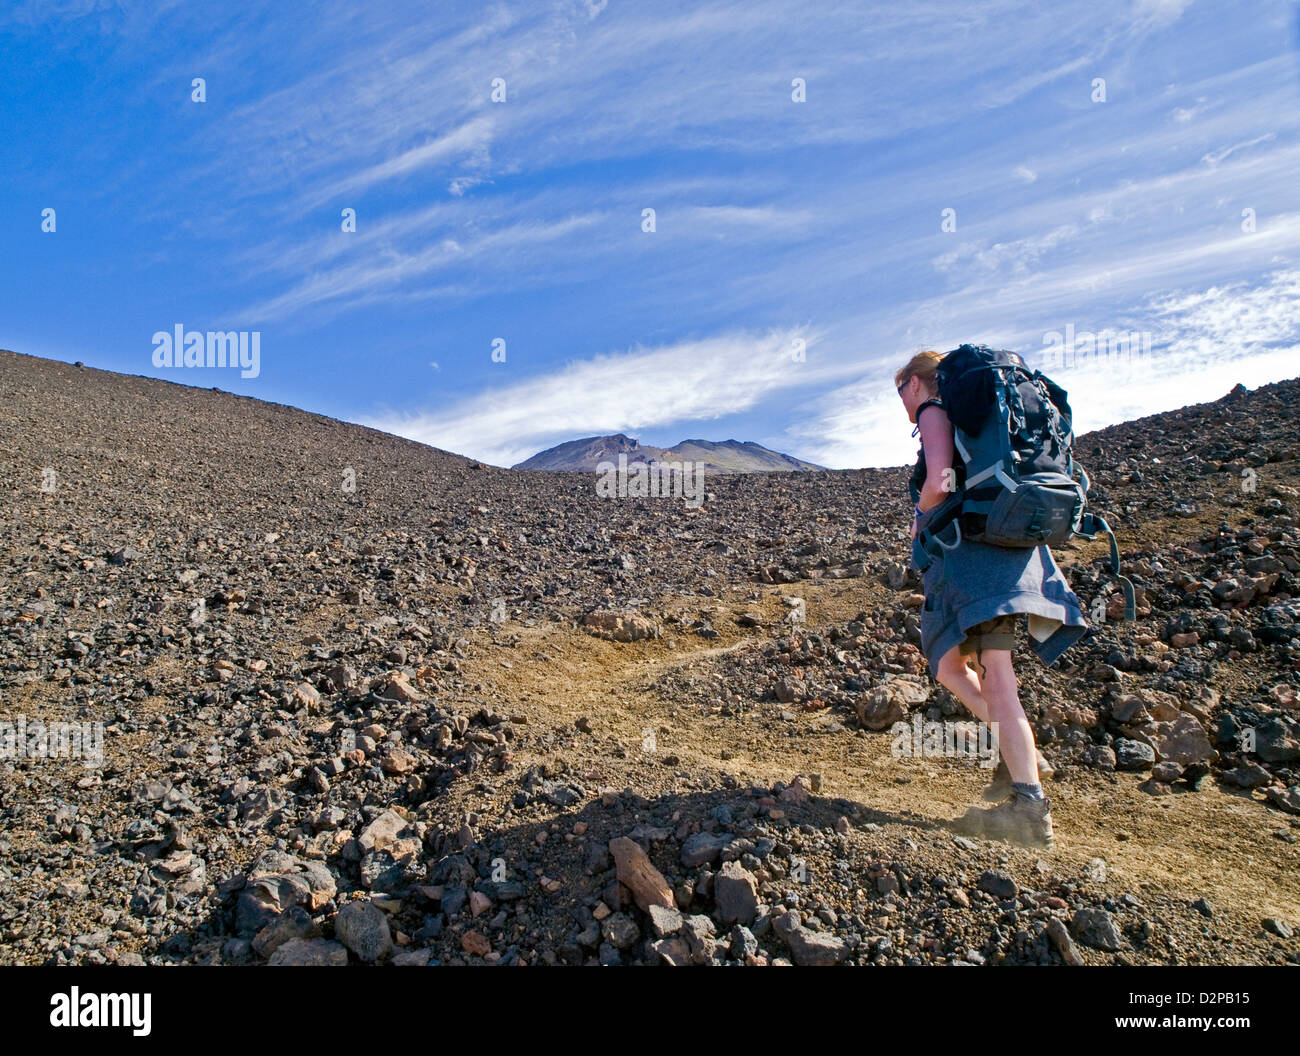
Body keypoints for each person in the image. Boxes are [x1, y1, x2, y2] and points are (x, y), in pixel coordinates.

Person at [896, 350, 1088, 848]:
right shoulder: (984, 417)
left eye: (901, 391)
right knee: (954, 668)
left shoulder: (936, 410)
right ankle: (1020, 760)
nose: (902, 402)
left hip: (976, 558)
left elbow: (939, 479)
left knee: (994, 677)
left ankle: (1029, 801)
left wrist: (920, 518)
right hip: (1011, 547)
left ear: (918, 384)